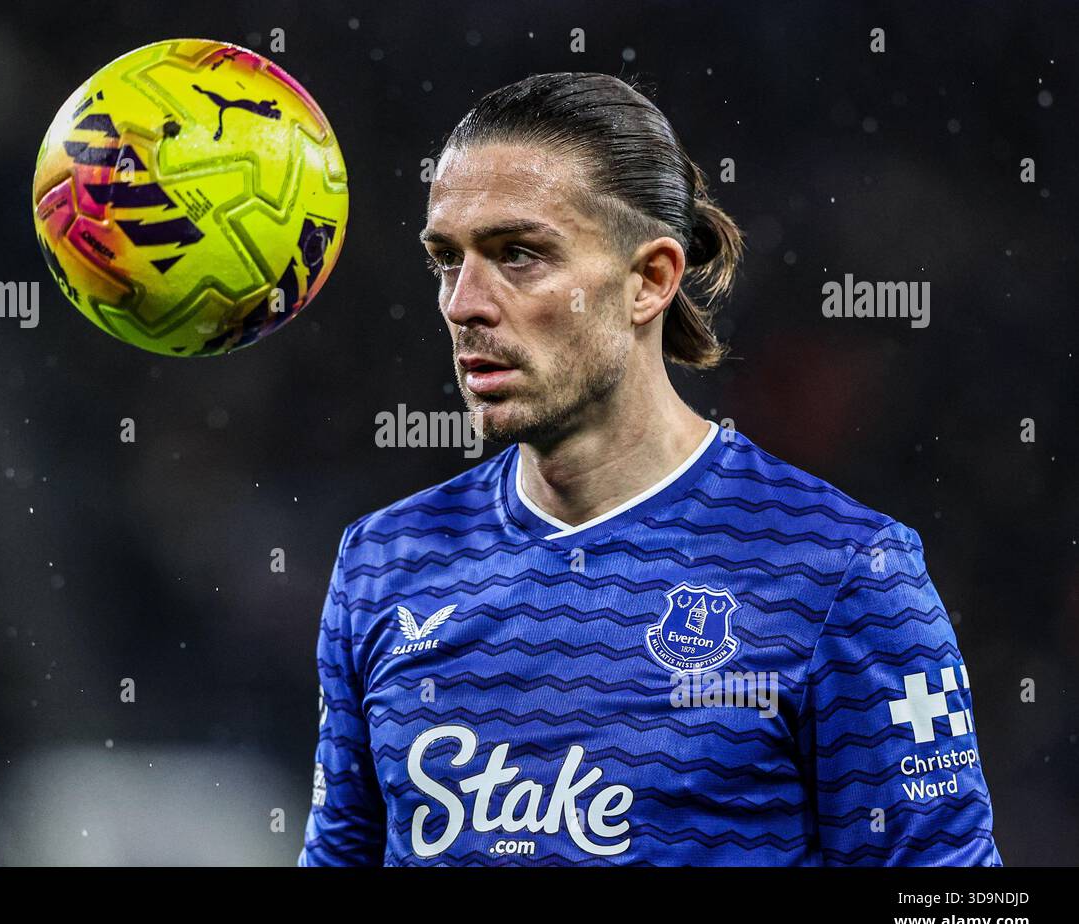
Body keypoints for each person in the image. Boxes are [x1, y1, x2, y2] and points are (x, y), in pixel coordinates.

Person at [300, 72, 1000, 866]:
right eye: (446, 260)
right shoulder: (383, 562)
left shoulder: (841, 572)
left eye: (518, 255)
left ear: (651, 280)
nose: (463, 302)